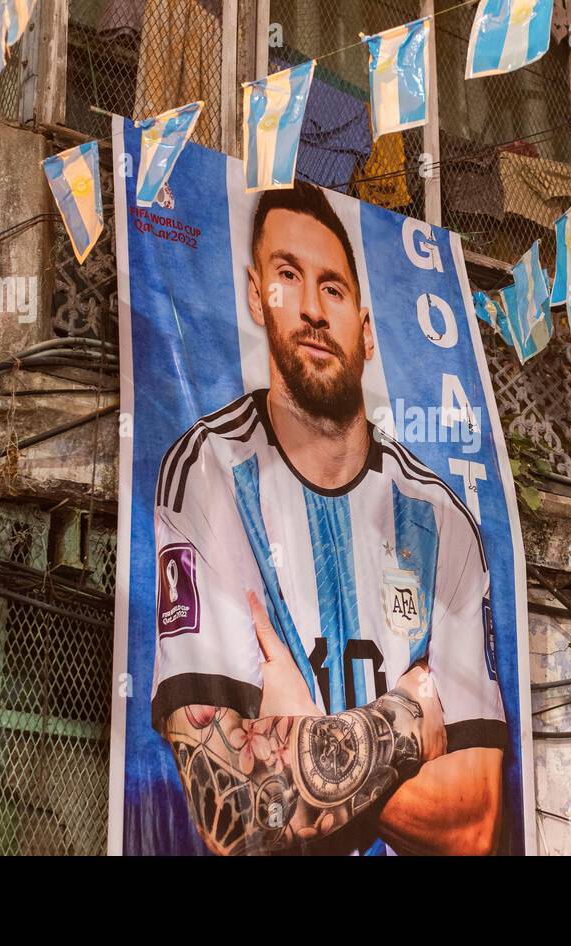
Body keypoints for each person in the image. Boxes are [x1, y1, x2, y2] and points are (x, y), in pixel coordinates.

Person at [151, 181, 505, 855]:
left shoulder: (438, 517)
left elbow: (474, 823)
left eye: (334, 289)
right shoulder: (208, 473)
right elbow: (236, 808)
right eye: (288, 276)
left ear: (366, 331)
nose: (312, 309)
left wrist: (303, 733)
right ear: (258, 296)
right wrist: (405, 720)